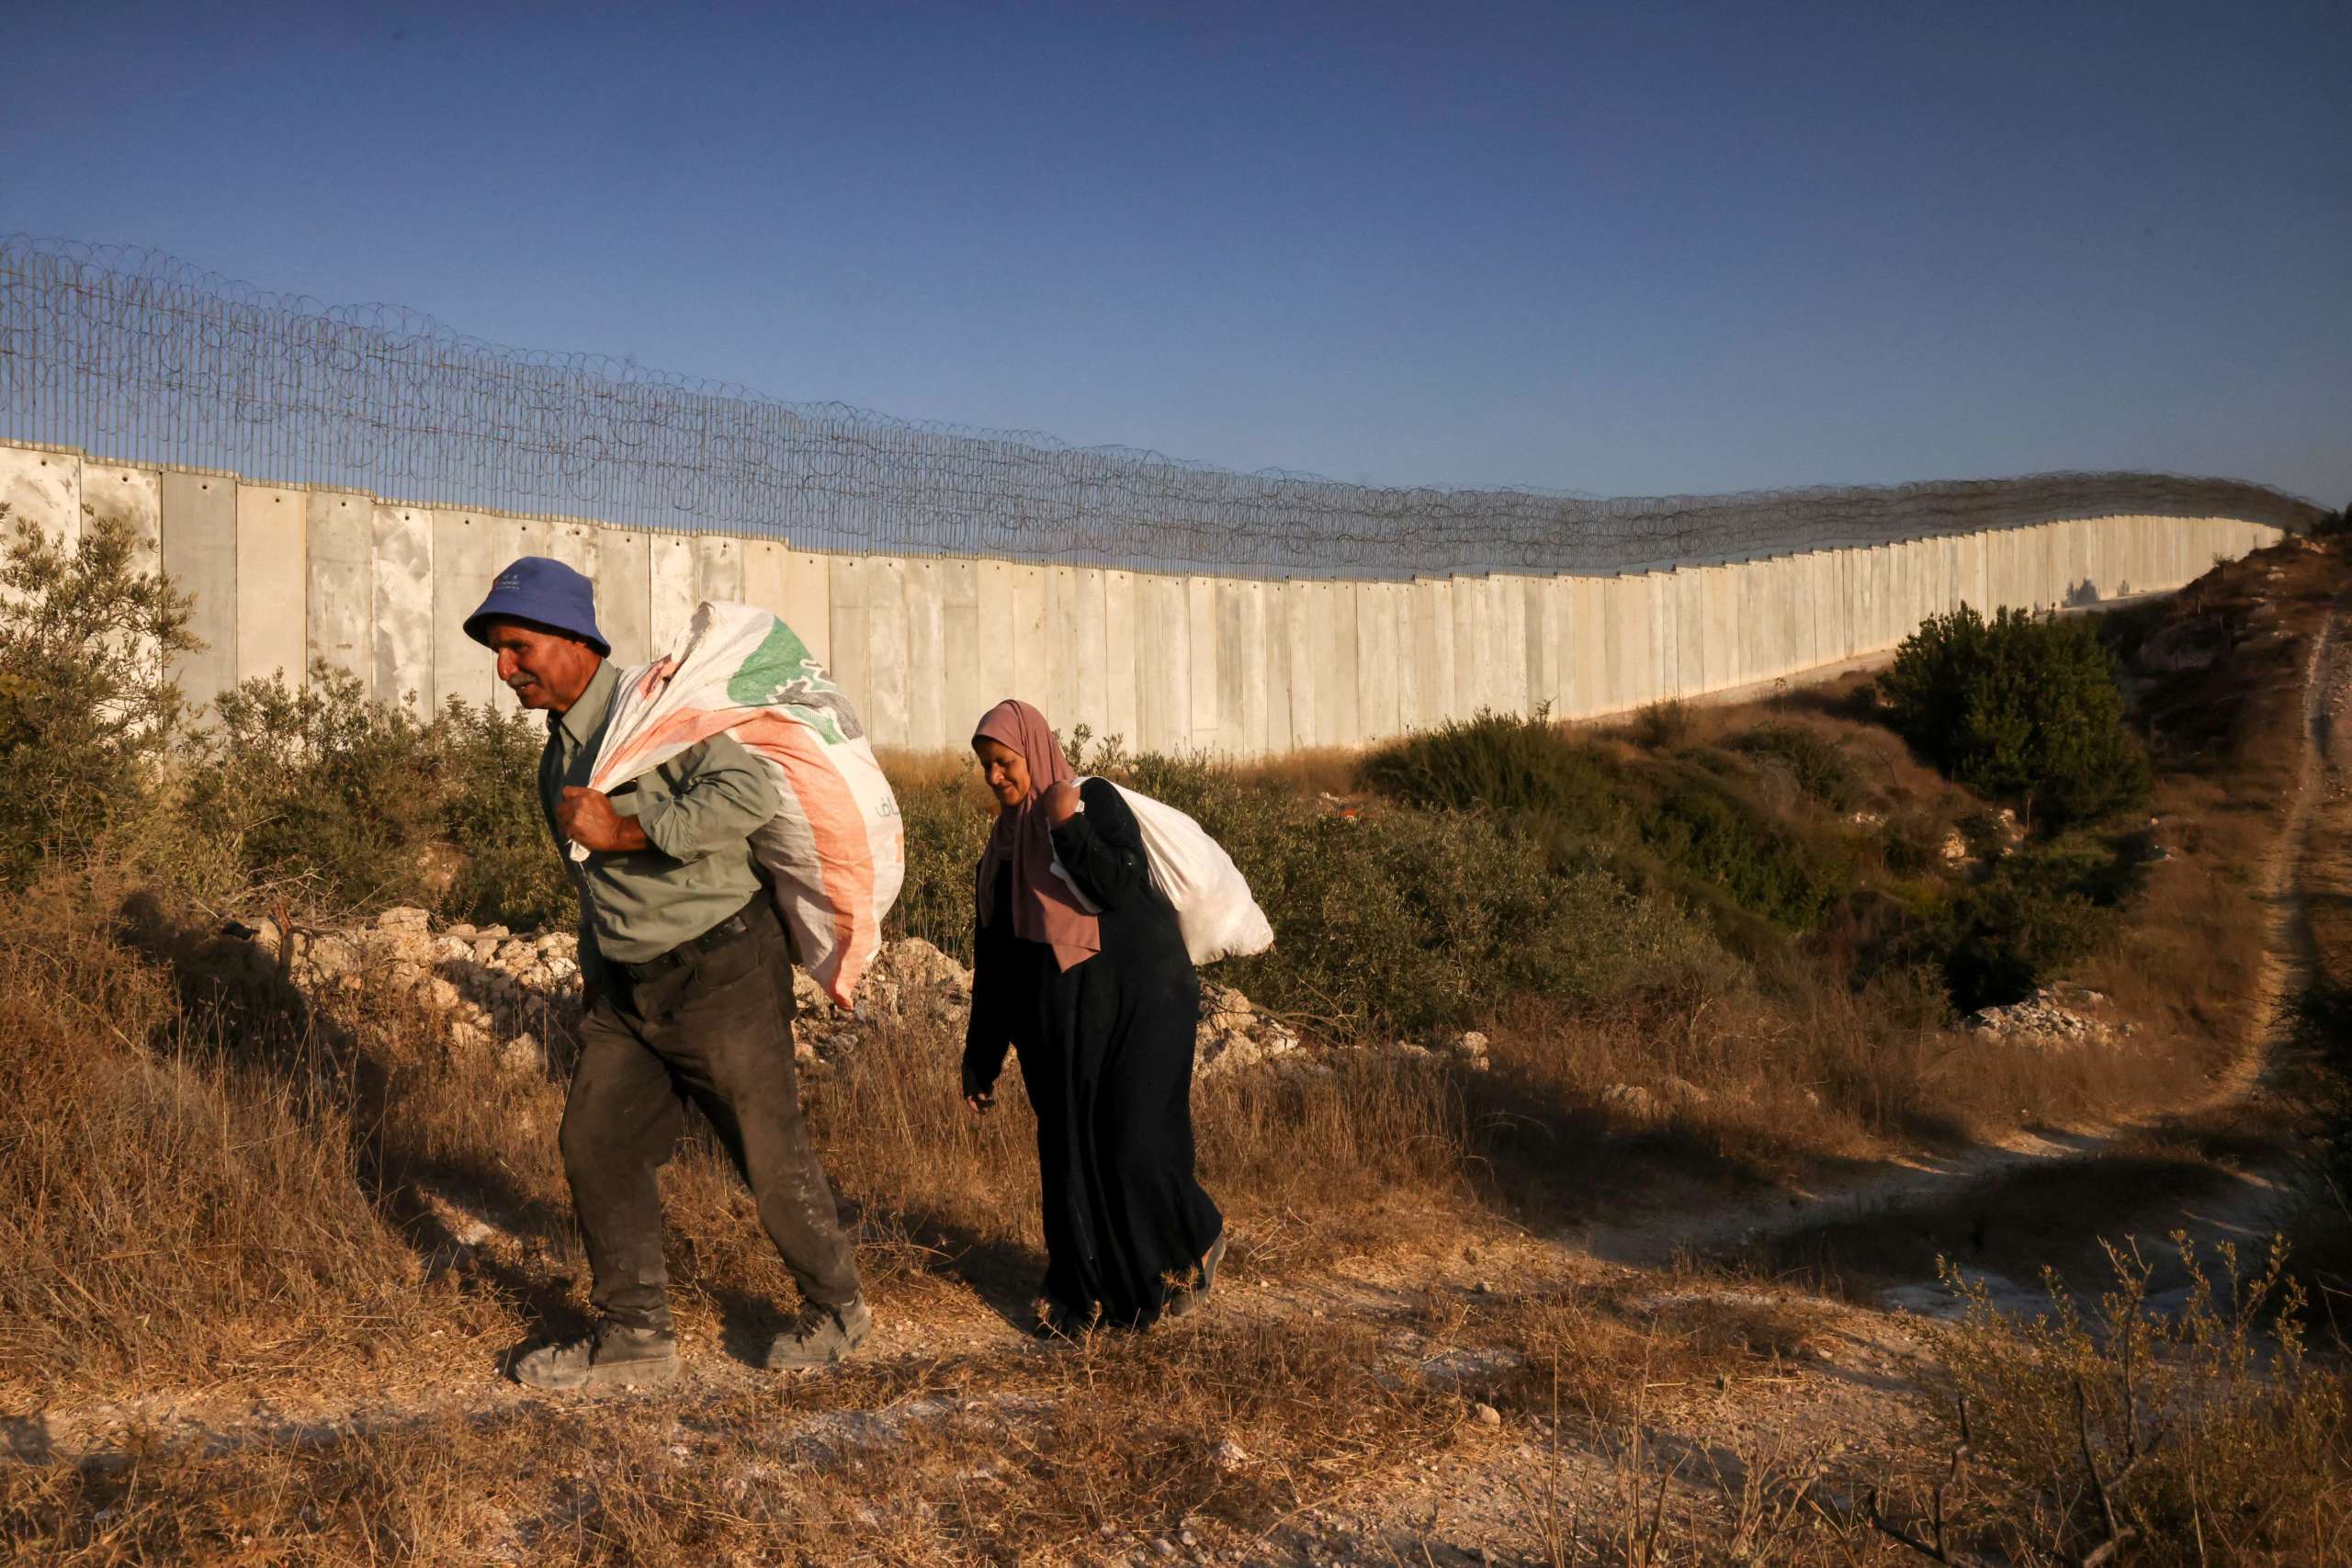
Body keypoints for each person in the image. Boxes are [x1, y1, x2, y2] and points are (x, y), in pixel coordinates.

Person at [461, 557, 869, 1390]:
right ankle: (635, 1338)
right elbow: (589, 882)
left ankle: (838, 1307)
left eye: (519, 647)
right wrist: (594, 976)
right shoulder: (558, 759)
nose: (506, 670)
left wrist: (628, 829)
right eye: (499, 653)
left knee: (765, 1153)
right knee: (595, 1141)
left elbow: (746, 793)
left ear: (577, 641)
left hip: (722, 972)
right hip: (629, 992)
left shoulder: (658, 711)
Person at [961, 699, 1226, 1332]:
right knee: (1071, 1153)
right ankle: (1093, 1296)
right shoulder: (1000, 854)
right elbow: (995, 962)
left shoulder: (1091, 800)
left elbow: (1118, 883)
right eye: (986, 768)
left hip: (1145, 1000)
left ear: (1034, 749)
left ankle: (1199, 1236)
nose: (997, 778)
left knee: (1135, 1142)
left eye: (1005, 763)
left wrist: (1068, 828)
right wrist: (981, 1056)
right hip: (1067, 1025)